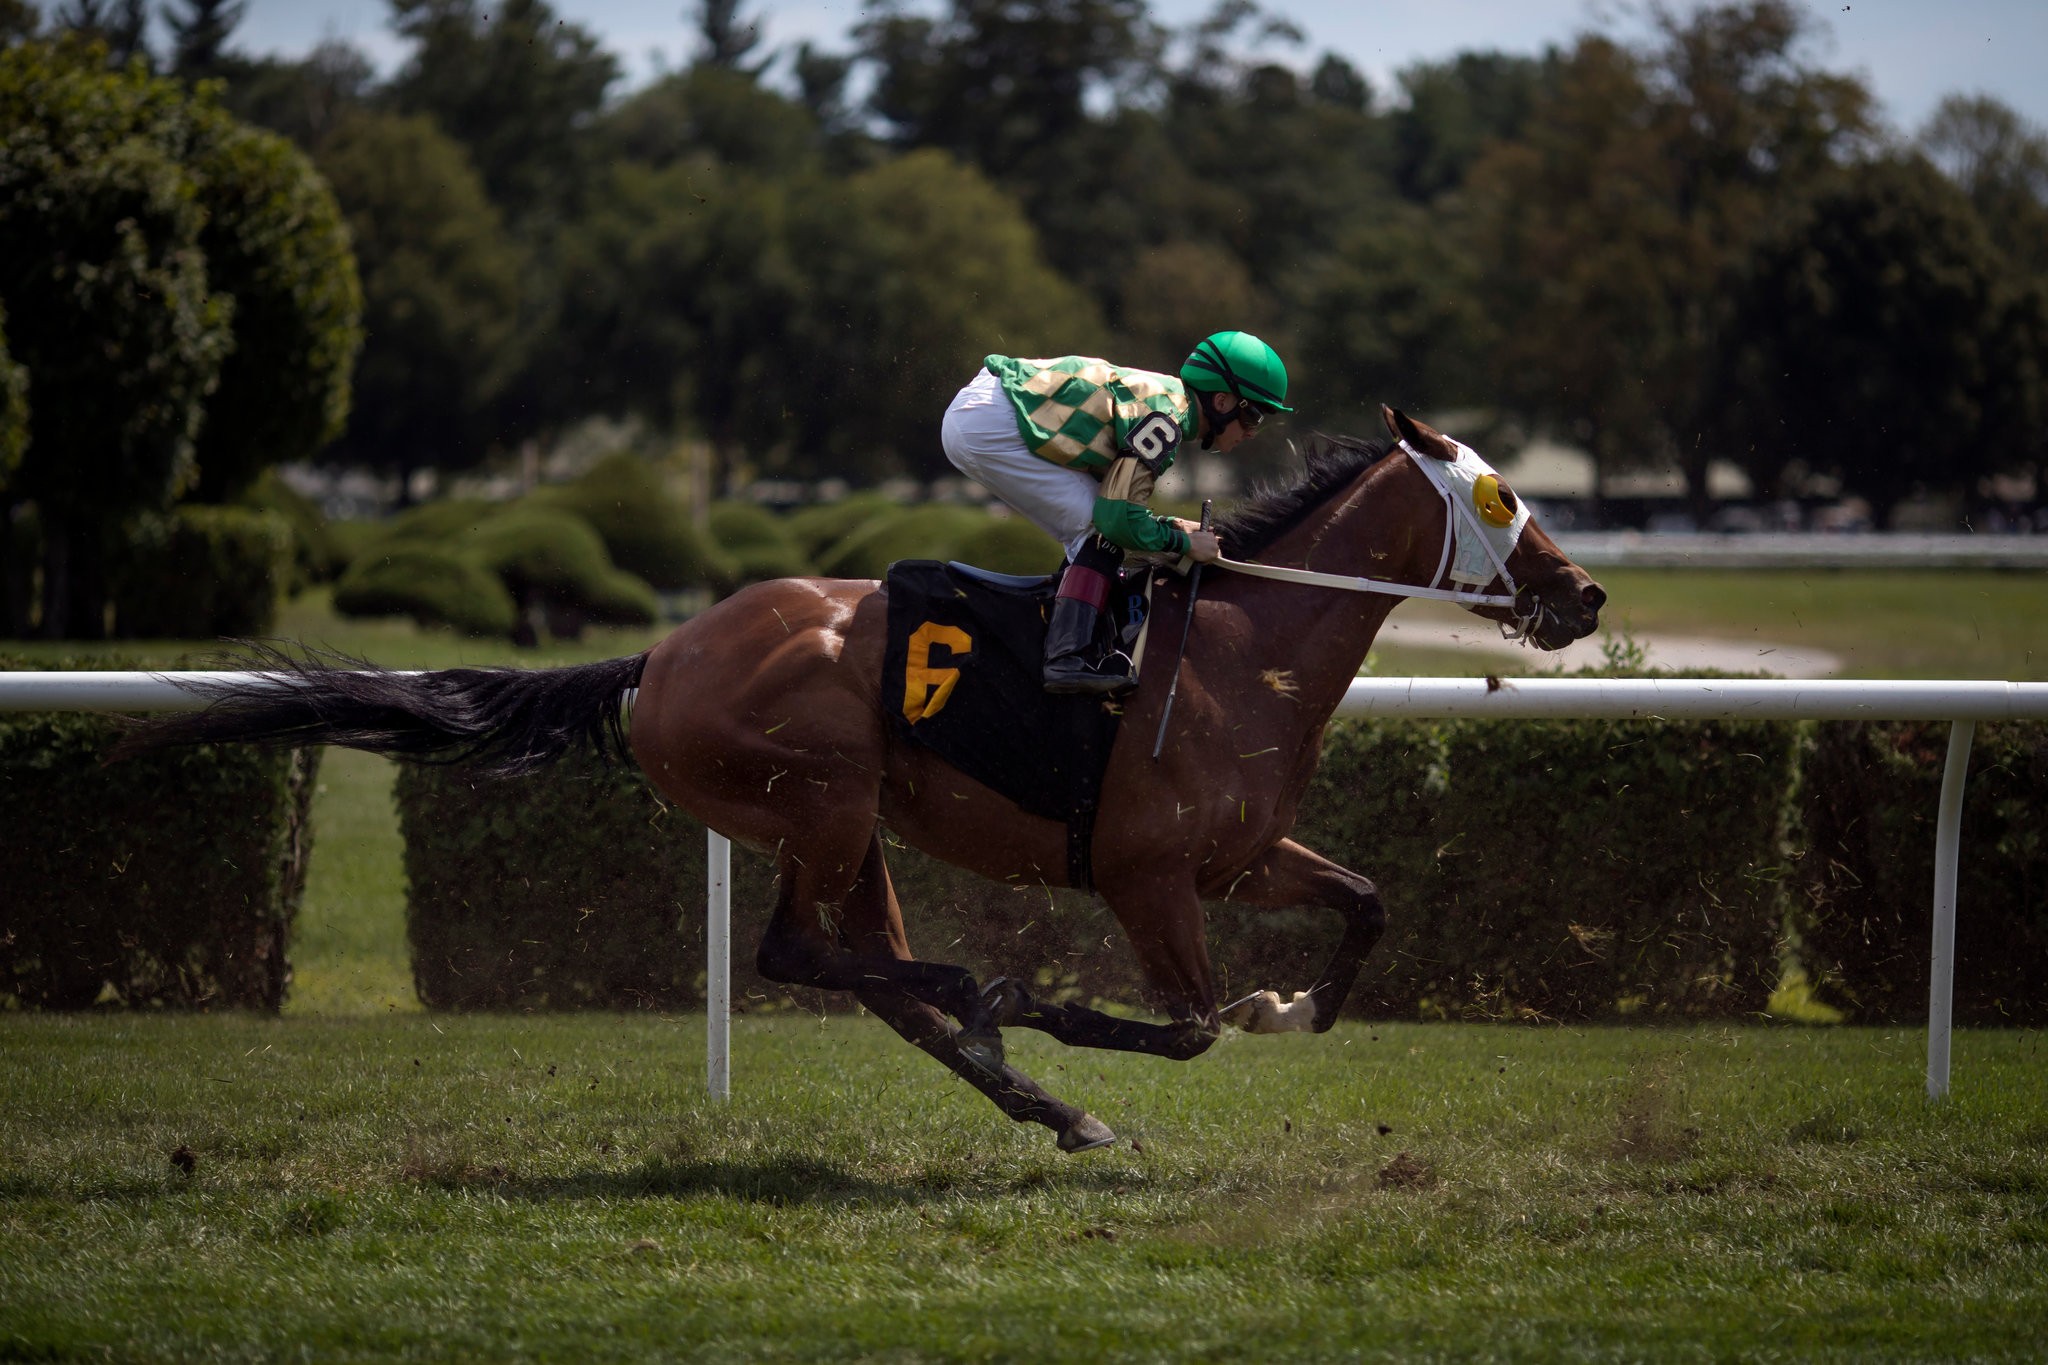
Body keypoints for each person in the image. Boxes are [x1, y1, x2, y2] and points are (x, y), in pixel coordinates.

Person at [941, 331, 1293, 694]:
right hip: (987, 423)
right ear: (1221, 402)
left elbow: (1118, 503)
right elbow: (1116, 520)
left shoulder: (1167, 403)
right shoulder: (1165, 419)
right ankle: (1065, 659)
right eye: (1253, 416)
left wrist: (1168, 526)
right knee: (1099, 534)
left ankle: (1067, 639)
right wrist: (1182, 543)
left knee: (1094, 531)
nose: (1252, 432)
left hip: (985, 411)